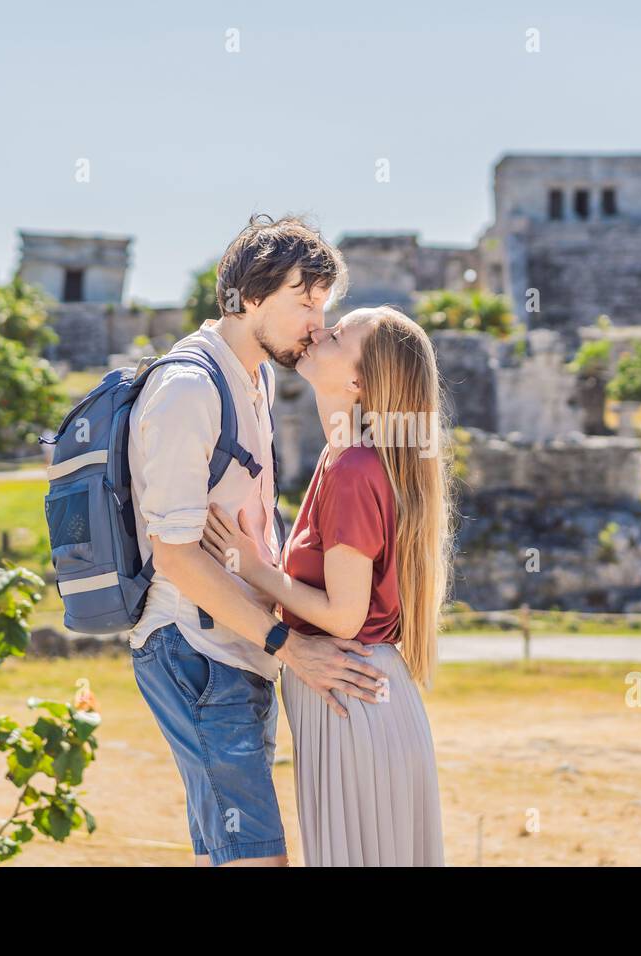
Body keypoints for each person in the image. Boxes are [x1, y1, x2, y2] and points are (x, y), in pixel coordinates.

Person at [127, 215, 387, 868]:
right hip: (195, 648)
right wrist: (289, 645)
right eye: (304, 300)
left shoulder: (254, 380)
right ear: (247, 297)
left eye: (323, 305)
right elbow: (176, 553)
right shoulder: (189, 387)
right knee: (256, 859)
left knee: (233, 854)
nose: (316, 322)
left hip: (236, 648)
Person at [203, 305, 450, 866]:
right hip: (353, 695)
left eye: (337, 335)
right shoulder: (342, 458)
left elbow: (342, 616)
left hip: (353, 698)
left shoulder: (353, 468)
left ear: (359, 382)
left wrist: (252, 567)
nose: (318, 330)